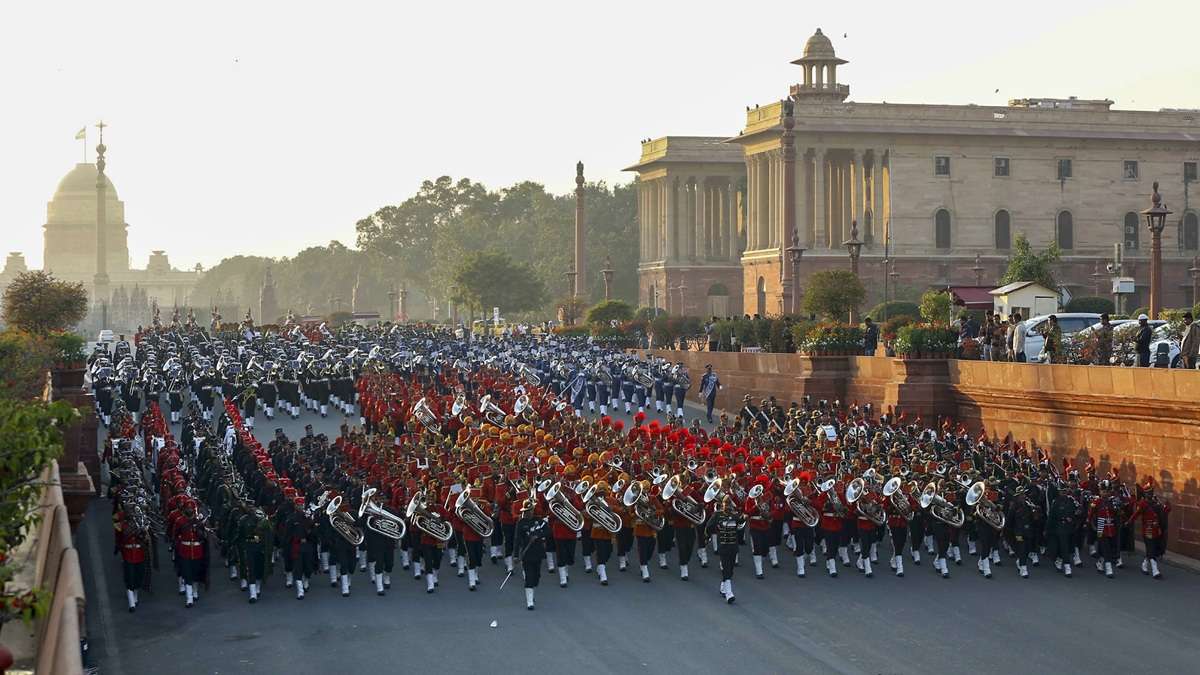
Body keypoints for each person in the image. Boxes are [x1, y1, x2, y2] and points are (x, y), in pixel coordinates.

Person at [1127, 480, 1171, 579]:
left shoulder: (1156, 502)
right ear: (1145, 494)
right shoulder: (1143, 504)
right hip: (1147, 531)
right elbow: (1136, 514)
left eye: (1151, 492)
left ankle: (1144, 565)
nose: (1150, 494)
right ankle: (1155, 570)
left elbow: (1162, 513)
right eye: (1148, 493)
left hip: (1156, 531)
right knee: (1151, 549)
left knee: (1152, 550)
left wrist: (1167, 509)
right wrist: (1129, 522)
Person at [706, 495, 744, 604]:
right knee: (726, 568)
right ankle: (729, 593)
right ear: (722, 504)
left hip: (733, 546)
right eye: (725, 503)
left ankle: (723, 587)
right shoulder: (717, 515)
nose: (727, 505)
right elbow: (708, 527)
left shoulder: (735, 515)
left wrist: (743, 517)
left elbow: (740, 526)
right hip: (723, 546)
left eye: (729, 503)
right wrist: (712, 533)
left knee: (730, 570)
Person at [512, 499, 548, 610]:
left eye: (531, 510)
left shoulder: (539, 520)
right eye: (528, 510)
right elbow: (517, 540)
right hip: (526, 554)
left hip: (538, 552)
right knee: (529, 578)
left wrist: (537, 535)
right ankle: (530, 602)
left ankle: (532, 591)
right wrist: (516, 555)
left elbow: (548, 531)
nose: (530, 512)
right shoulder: (521, 523)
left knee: (536, 577)